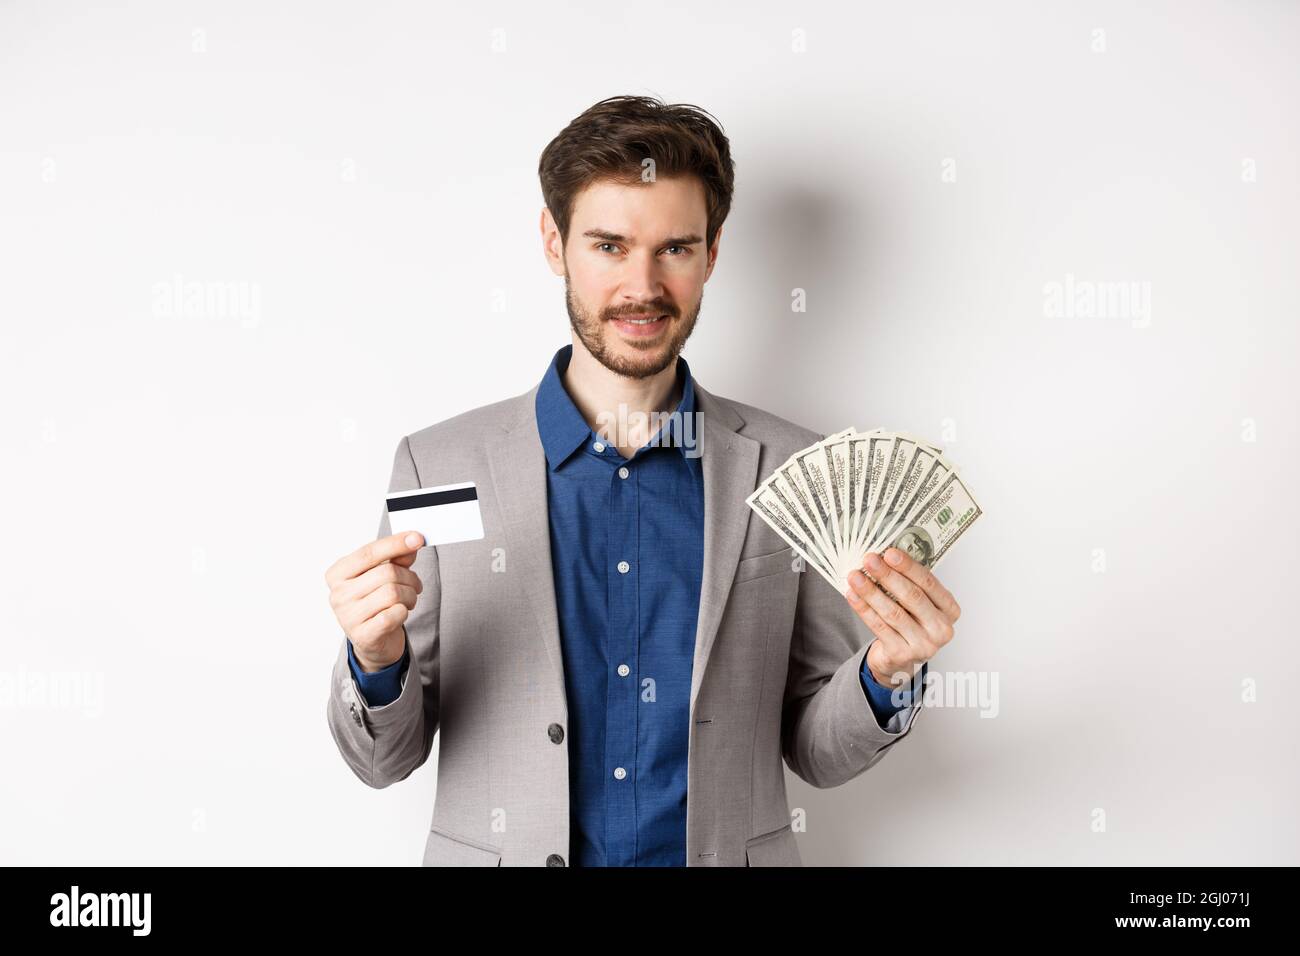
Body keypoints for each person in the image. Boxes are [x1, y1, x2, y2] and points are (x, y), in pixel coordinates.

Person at [324, 95, 961, 866]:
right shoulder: (441, 466)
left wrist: (886, 673)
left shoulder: (792, 470)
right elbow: (384, 759)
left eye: (675, 249)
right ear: (554, 244)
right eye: (609, 245)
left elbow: (816, 752)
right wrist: (376, 657)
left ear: (712, 254)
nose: (643, 286)